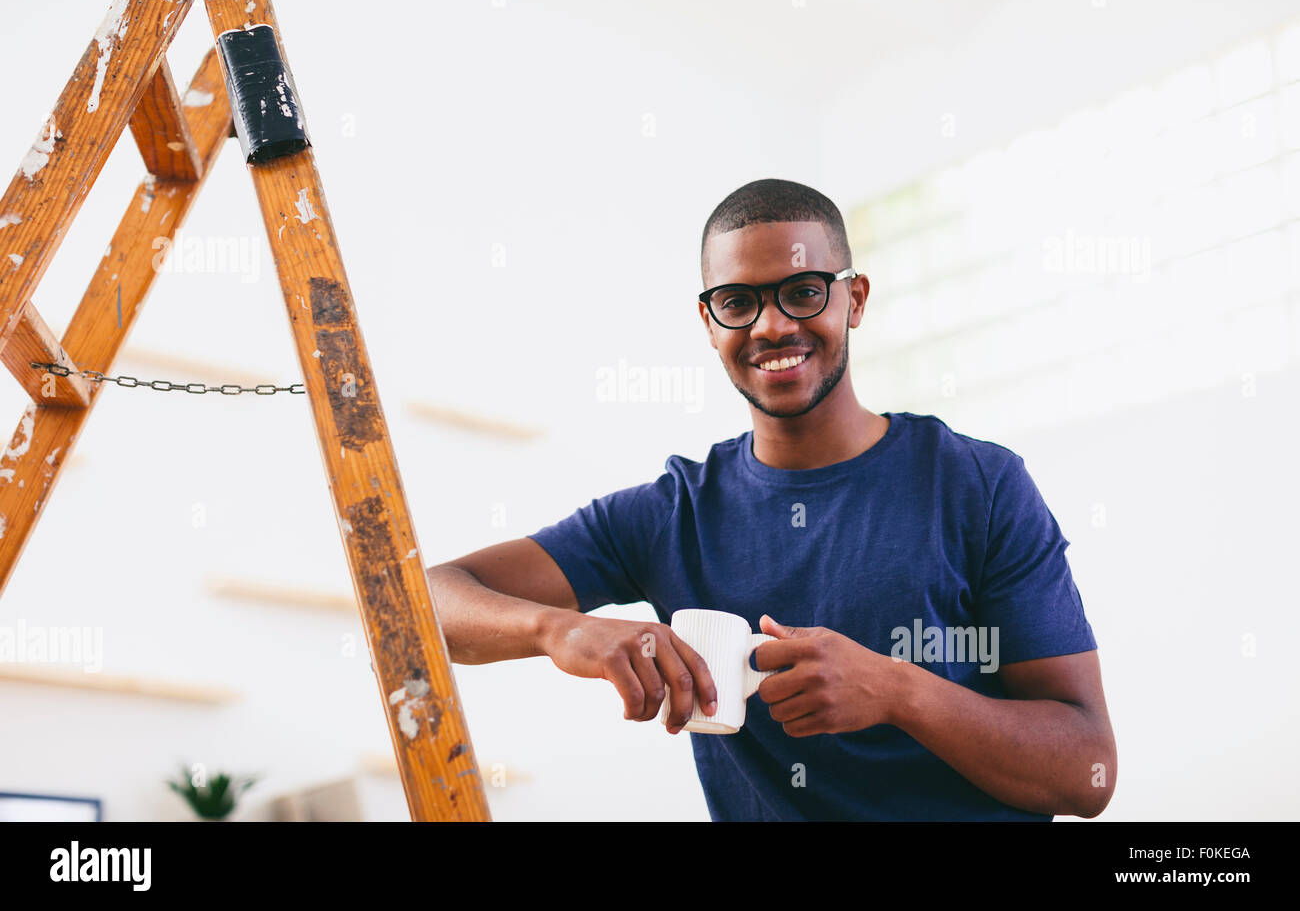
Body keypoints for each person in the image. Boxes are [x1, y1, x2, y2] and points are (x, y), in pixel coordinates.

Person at [427, 178, 1117, 821]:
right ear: (708, 321)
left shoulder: (980, 485)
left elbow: (1086, 771)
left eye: (804, 291)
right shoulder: (667, 515)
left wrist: (899, 693)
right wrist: (561, 630)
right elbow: (425, 601)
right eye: (738, 301)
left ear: (856, 299)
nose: (771, 326)